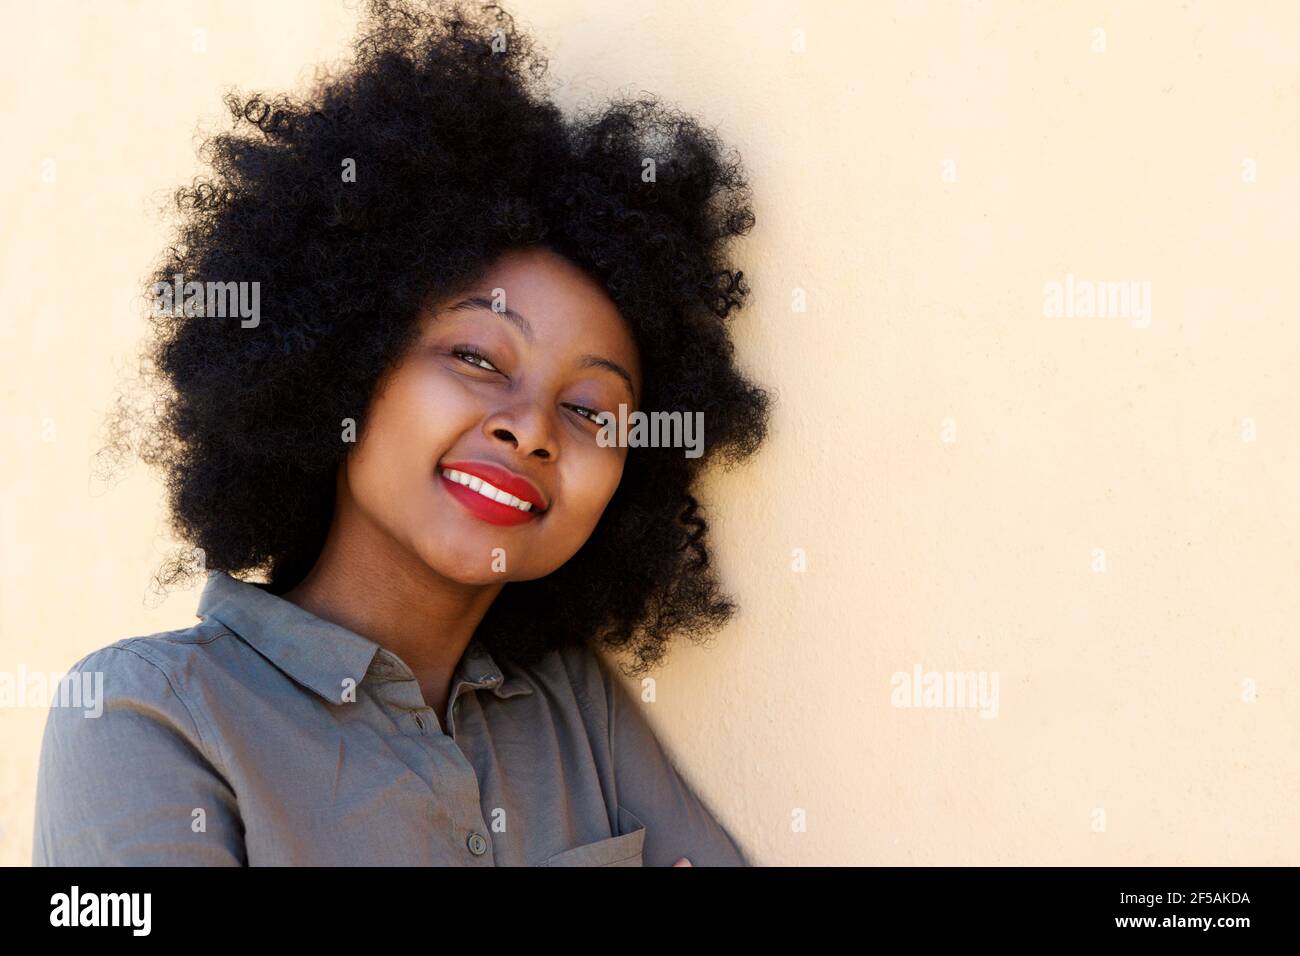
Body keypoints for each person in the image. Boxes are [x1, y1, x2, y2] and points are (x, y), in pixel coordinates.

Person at [33, 0, 771, 866]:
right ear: (348, 363)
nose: (532, 429)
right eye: (478, 357)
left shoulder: (577, 710)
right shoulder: (147, 714)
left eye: (588, 412)